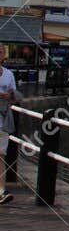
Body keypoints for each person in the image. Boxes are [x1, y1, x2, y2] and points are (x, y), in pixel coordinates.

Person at [0, 46, 18, 206]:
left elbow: (15, 95)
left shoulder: (8, 74)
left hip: (2, 119)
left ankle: (1, 191)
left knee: (1, 155)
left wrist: (10, 96)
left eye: (0, 52)